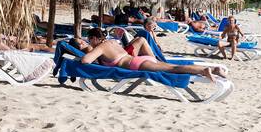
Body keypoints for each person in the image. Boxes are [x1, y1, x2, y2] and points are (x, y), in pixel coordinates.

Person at [80, 29, 225, 78]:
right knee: (171, 67)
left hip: (136, 64)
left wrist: (87, 51)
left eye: (89, 40)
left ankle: (206, 70)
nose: (88, 42)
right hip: (140, 59)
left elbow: (85, 61)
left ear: (94, 38)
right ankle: (215, 70)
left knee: (173, 69)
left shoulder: (101, 47)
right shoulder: (112, 42)